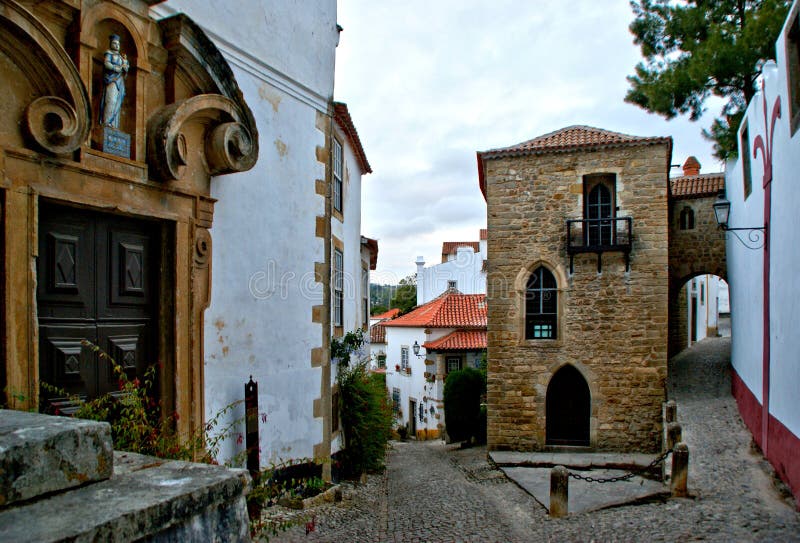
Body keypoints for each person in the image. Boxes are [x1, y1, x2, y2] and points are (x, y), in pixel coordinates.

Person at [100, 34, 129, 128]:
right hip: (111, 79)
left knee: (117, 102)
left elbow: (126, 69)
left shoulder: (121, 57)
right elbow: (106, 64)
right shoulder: (109, 54)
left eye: (118, 44)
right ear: (111, 44)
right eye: (114, 43)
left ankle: (114, 124)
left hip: (120, 81)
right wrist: (115, 68)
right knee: (111, 100)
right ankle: (106, 121)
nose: (116, 45)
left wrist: (125, 65)